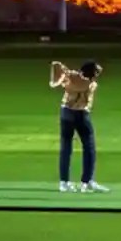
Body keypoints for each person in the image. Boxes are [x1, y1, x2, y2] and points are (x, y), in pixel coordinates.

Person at [49, 60, 108, 193]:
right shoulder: (91, 84)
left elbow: (56, 67)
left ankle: (64, 183)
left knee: (66, 148)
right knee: (89, 147)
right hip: (81, 114)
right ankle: (86, 182)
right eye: (96, 72)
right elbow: (86, 88)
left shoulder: (71, 76)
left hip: (66, 112)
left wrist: (63, 75)